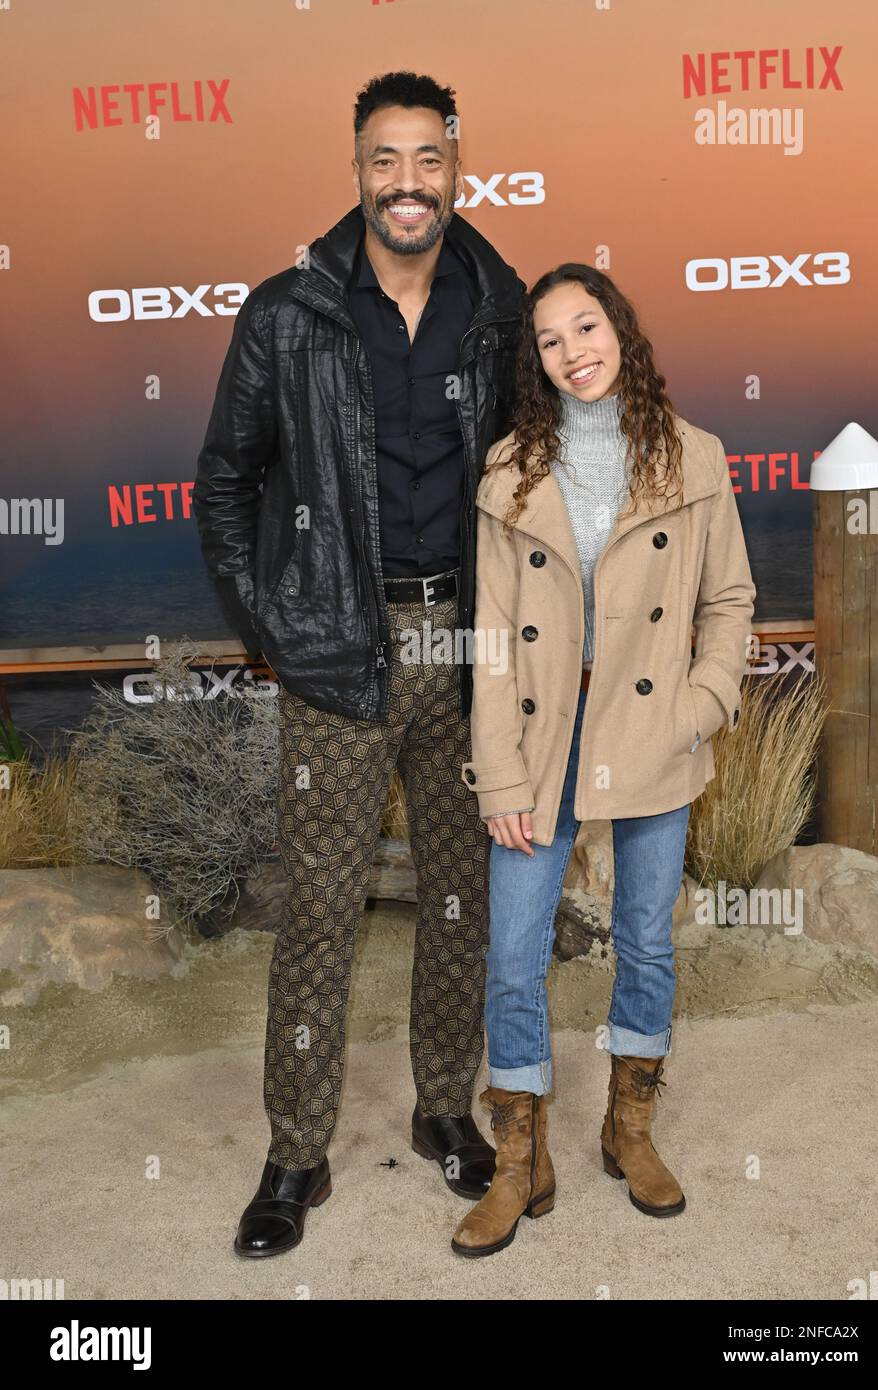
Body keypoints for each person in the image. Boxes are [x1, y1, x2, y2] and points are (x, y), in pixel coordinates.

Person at [193, 70, 526, 1259]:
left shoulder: (499, 305)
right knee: (321, 911)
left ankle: (446, 1106)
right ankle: (295, 1152)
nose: (405, 183)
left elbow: (541, 469)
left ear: (455, 164)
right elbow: (225, 480)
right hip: (341, 651)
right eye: (384, 161)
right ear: (357, 170)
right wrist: (274, 633)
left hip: (476, 650)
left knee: (458, 900)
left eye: (425, 160)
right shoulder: (288, 312)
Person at [453, 264, 756, 1257]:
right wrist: (497, 774)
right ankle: (518, 1157)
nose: (571, 347)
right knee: (510, 951)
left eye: (585, 325)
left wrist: (696, 709)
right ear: (533, 360)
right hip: (540, 738)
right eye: (548, 338)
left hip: (649, 732)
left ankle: (628, 1130)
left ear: (619, 331)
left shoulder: (695, 458)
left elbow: (726, 604)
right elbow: (490, 640)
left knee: (646, 941)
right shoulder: (507, 470)